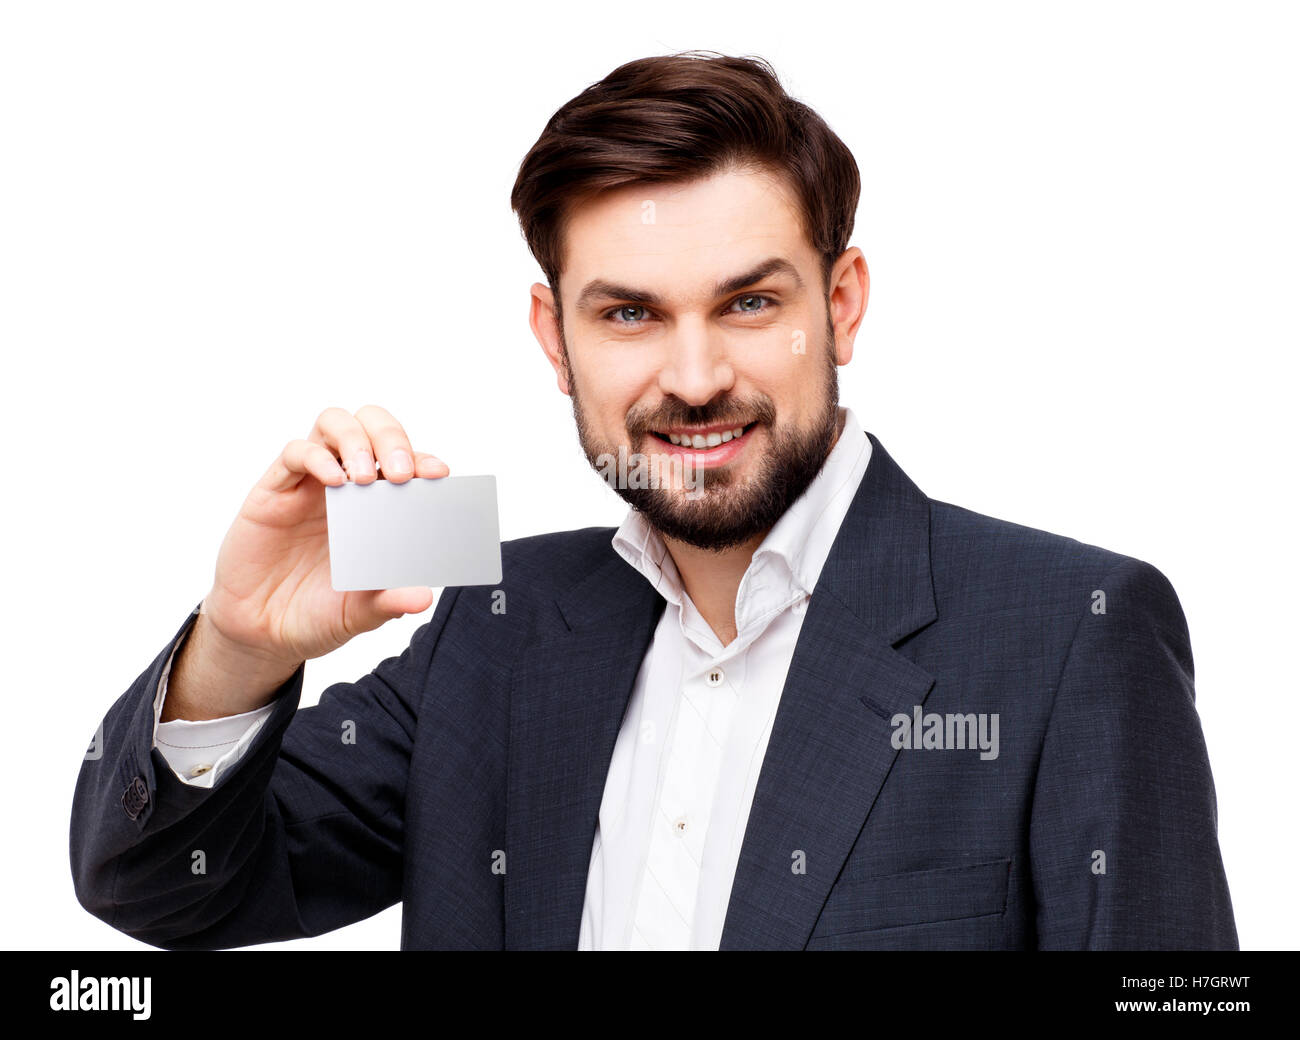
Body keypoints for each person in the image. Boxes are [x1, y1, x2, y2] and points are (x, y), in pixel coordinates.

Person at [70, 51, 1237, 950]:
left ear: (841, 303)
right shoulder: (500, 615)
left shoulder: (1071, 629)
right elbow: (162, 887)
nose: (690, 376)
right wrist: (239, 644)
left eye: (745, 303)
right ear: (555, 337)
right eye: (628, 312)